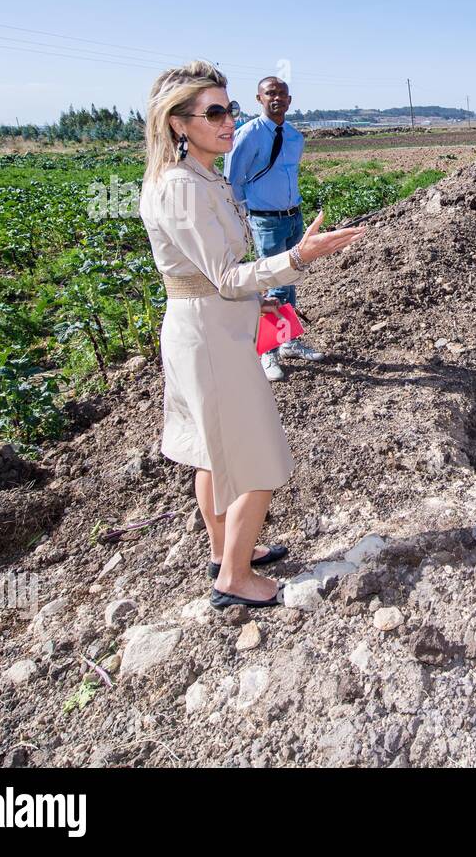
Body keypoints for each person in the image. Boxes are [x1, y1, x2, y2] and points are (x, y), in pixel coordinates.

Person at [140, 60, 365, 608]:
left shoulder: (200, 177)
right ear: (177, 122)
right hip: (210, 338)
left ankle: (225, 553)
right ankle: (235, 580)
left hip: (206, 325)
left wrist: (257, 292)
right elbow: (223, 275)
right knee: (258, 457)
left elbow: (208, 274)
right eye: (213, 112)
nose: (228, 122)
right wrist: (296, 259)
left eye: (228, 109)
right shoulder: (183, 189)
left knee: (210, 454)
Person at [224, 76, 322, 381]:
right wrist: (243, 218)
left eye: (282, 94)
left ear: (290, 100)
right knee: (273, 283)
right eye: (270, 94)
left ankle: (287, 342)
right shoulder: (248, 135)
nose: (276, 98)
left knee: (289, 279)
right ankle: (266, 352)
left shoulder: (294, 137)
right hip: (264, 219)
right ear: (259, 99)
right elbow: (232, 181)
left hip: (293, 216)